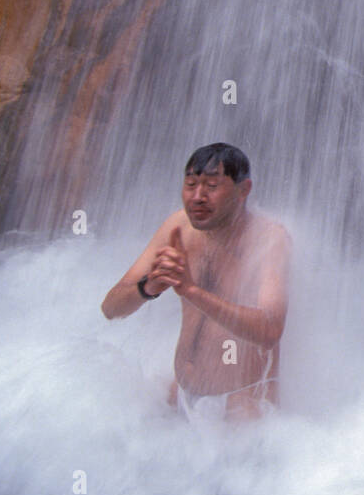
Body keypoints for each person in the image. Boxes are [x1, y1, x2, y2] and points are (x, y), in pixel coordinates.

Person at [102, 143, 291, 421]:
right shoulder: (178, 227)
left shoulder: (270, 239)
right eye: (190, 185)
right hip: (183, 396)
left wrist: (191, 291)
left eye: (212, 186)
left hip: (241, 408)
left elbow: (270, 330)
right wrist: (148, 287)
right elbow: (110, 308)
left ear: (243, 190)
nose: (198, 197)